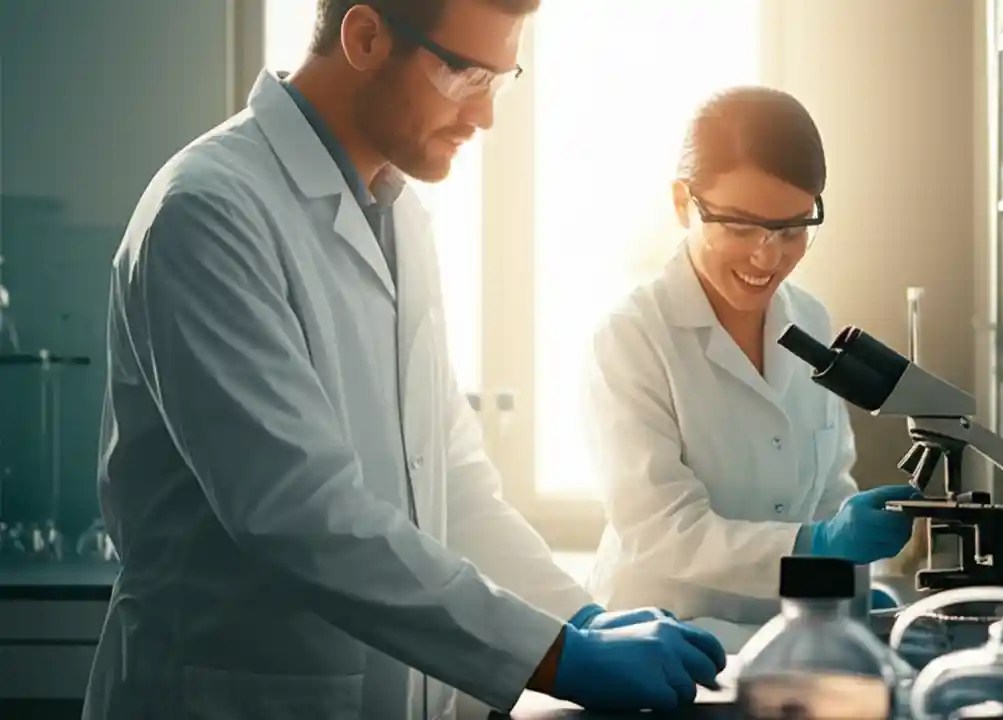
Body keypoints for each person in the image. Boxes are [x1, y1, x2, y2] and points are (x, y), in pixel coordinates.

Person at [84, 1, 725, 718]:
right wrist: (555, 657)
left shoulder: (399, 214)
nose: (485, 116)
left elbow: (448, 477)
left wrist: (576, 618)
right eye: (465, 76)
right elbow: (299, 514)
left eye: (499, 80)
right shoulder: (208, 211)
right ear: (364, 38)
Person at [583, 87, 918, 649]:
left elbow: (830, 490)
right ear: (682, 203)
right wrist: (814, 546)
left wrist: (854, 589)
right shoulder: (632, 336)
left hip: (788, 644)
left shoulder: (810, 319)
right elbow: (661, 529)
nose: (767, 256)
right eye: (740, 227)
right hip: (666, 646)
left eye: (792, 229)